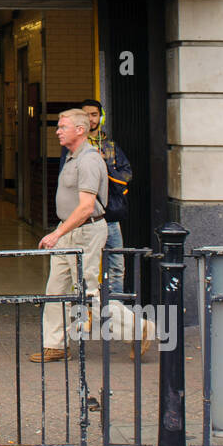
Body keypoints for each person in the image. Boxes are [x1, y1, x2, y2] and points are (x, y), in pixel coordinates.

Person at [33, 109, 154, 365]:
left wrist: (58, 233)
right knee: (56, 290)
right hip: (69, 230)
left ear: (80, 129)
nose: (57, 130)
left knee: (88, 294)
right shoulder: (72, 157)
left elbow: (87, 206)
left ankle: (138, 328)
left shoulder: (88, 160)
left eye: (62, 126)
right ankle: (55, 345)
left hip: (83, 231)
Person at [68, 99, 133, 295]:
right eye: (86, 115)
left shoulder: (111, 146)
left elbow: (127, 174)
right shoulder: (73, 147)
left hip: (110, 216)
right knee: (84, 268)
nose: (90, 119)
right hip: (85, 219)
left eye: (94, 114)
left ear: (100, 117)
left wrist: (105, 169)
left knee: (116, 266)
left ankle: (115, 309)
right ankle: (86, 312)